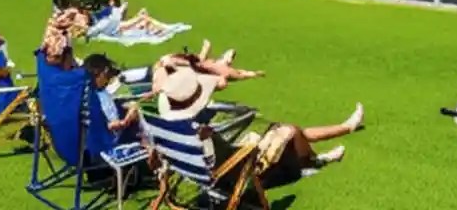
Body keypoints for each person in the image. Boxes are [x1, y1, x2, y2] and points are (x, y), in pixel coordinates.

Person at [155, 66, 363, 190]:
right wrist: (252, 145)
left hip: (212, 171)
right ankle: (319, 158)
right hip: (239, 173)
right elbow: (221, 163)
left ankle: (344, 129)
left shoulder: (166, 128)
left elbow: (156, 160)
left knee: (287, 133)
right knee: (290, 131)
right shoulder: (199, 134)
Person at [84, 53, 145, 144]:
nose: (108, 81)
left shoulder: (102, 91)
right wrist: (123, 122)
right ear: (103, 73)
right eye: (108, 76)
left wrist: (126, 106)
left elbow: (109, 106)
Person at [89, 0, 175, 37]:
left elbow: (122, 18)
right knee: (144, 19)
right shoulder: (106, 11)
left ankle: (157, 29)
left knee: (143, 13)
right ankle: (163, 29)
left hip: (122, 25)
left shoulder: (114, 10)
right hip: (121, 29)